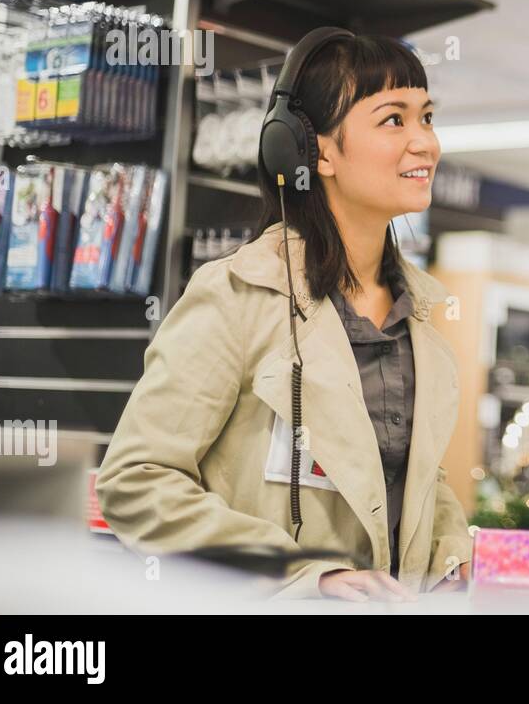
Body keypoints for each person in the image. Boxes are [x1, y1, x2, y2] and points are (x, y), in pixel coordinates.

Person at [97, 32, 472, 602]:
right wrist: (304, 577)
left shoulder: (415, 311)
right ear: (315, 150)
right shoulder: (238, 294)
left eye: (426, 116)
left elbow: (415, 478)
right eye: (393, 120)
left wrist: (451, 554)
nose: (425, 142)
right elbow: (137, 482)